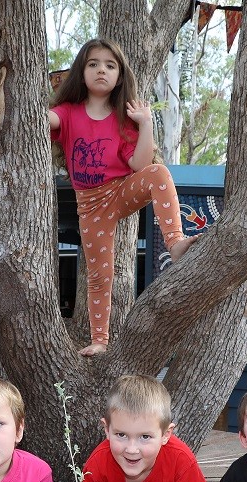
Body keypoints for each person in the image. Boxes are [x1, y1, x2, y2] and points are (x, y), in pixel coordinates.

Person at [48, 38, 199, 357]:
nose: (101, 70)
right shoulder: (68, 112)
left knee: (158, 173)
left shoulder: (123, 118)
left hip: (120, 191)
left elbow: (140, 165)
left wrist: (145, 124)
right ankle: (99, 340)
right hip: (90, 206)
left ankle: (176, 242)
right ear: (81, 72)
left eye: (109, 65)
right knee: (100, 275)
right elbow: (47, 121)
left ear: (119, 76)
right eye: (93, 64)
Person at [75, 374, 217, 482]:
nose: (132, 449)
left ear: (165, 434)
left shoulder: (181, 461)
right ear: (107, 429)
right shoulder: (98, 463)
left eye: (145, 437)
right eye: (121, 435)